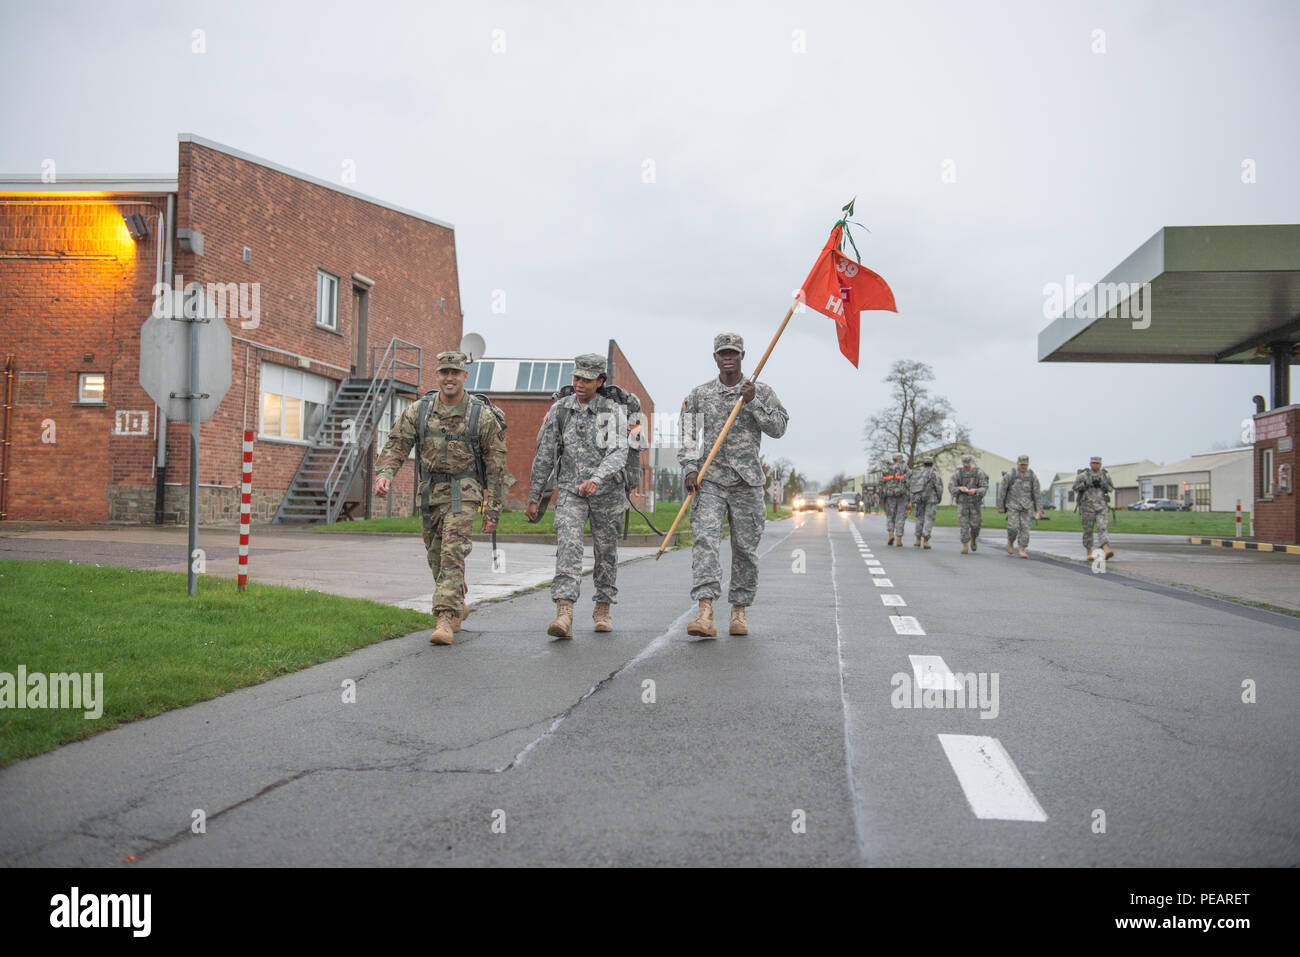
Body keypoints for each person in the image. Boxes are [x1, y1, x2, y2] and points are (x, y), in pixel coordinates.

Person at [373, 351, 507, 644]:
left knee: (452, 552)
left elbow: (496, 467)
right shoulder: (419, 411)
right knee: (435, 554)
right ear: (438, 375)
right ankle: (457, 603)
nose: (449, 378)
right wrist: (385, 474)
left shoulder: (480, 415)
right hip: (430, 493)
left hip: (465, 492)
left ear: (464, 376)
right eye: (444, 372)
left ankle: (444, 619)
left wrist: (493, 509)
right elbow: (397, 444)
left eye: (455, 373)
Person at [679, 333, 789, 637]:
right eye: (723, 353)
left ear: (743, 356)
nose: (728, 358)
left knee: (745, 549)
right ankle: (705, 611)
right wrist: (690, 469)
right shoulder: (700, 394)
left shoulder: (760, 392)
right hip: (709, 480)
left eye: (734, 353)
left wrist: (753, 404)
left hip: (747, 482)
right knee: (705, 541)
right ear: (715, 357)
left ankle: (739, 611)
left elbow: (779, 428)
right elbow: (688, 436)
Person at [526, 354, 629, 638]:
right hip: (572, 491)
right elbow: (545, 454)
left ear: (600, 381)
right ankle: (564, 612)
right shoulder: (562, 410)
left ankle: (603, 606)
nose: (580, 383)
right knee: (569, 546)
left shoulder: (611, 412)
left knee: (605, 551)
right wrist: (534, 496)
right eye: (576, 378)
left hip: (606, 492)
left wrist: (596, 479)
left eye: (586, 379)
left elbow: (619, 452)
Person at [997, 454, 1043, 558]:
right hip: (1013, 505)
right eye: (1021, 464)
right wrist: (1000, 506)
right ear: (1017, 464)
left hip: (1027, 507)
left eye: (1025, 465)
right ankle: (1010, 541)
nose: (1023, 467)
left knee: (1025, 529)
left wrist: (1039, 509)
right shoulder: (1011, 475)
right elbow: (1002, 491)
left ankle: (1022, 549)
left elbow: (1037, 493)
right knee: (1013, 527)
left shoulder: (1031, 476)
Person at [1072, 456, 1115, 561]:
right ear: (1090, 464)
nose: (1096, 465)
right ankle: (1089, 552)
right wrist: (1085, 484)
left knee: (1102, 528)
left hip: (1101, 506)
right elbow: (1075, 487)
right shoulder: (1083, 475)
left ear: (1100, 464)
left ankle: (1106, 549)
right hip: (1087, 507)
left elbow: (1111, 488)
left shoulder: (1105, 475)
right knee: (1088, 530)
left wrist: (1103, 485)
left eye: (1098, 463)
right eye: (1094, 463)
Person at [948, 453, 989, 554]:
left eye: (968, 465)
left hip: (975, 503)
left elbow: (984, 487)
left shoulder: (978, 473)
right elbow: (951, 487)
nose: (967, 467)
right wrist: (959, 488)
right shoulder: (958, 473)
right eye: (965, 465)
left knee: (976, 525)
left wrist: (976, 491)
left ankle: (974, 539)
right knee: (964, 524)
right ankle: (965, 544)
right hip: (963, 502)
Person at [908, 455, 944, 548]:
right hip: (931, 499)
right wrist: (939, 498)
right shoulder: (934, 473)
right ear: (932, 464)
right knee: (929, 519)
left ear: (923, 464)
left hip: (919, 498)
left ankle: (917, 539)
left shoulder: (918, 472)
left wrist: (912, 498)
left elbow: (911, 485)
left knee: (919, 518)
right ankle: (926, 541)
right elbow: (939, 487)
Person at [881, 454, 910, 546]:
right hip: (902, 496)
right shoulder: (905, 467)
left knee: (890, 516)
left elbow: (882, 483)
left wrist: (882, 497)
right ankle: (899, 540)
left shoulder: (887, 468)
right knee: (900, 517)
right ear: (900, 459)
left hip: (889, 496)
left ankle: (891, 534)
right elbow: (910, 480)